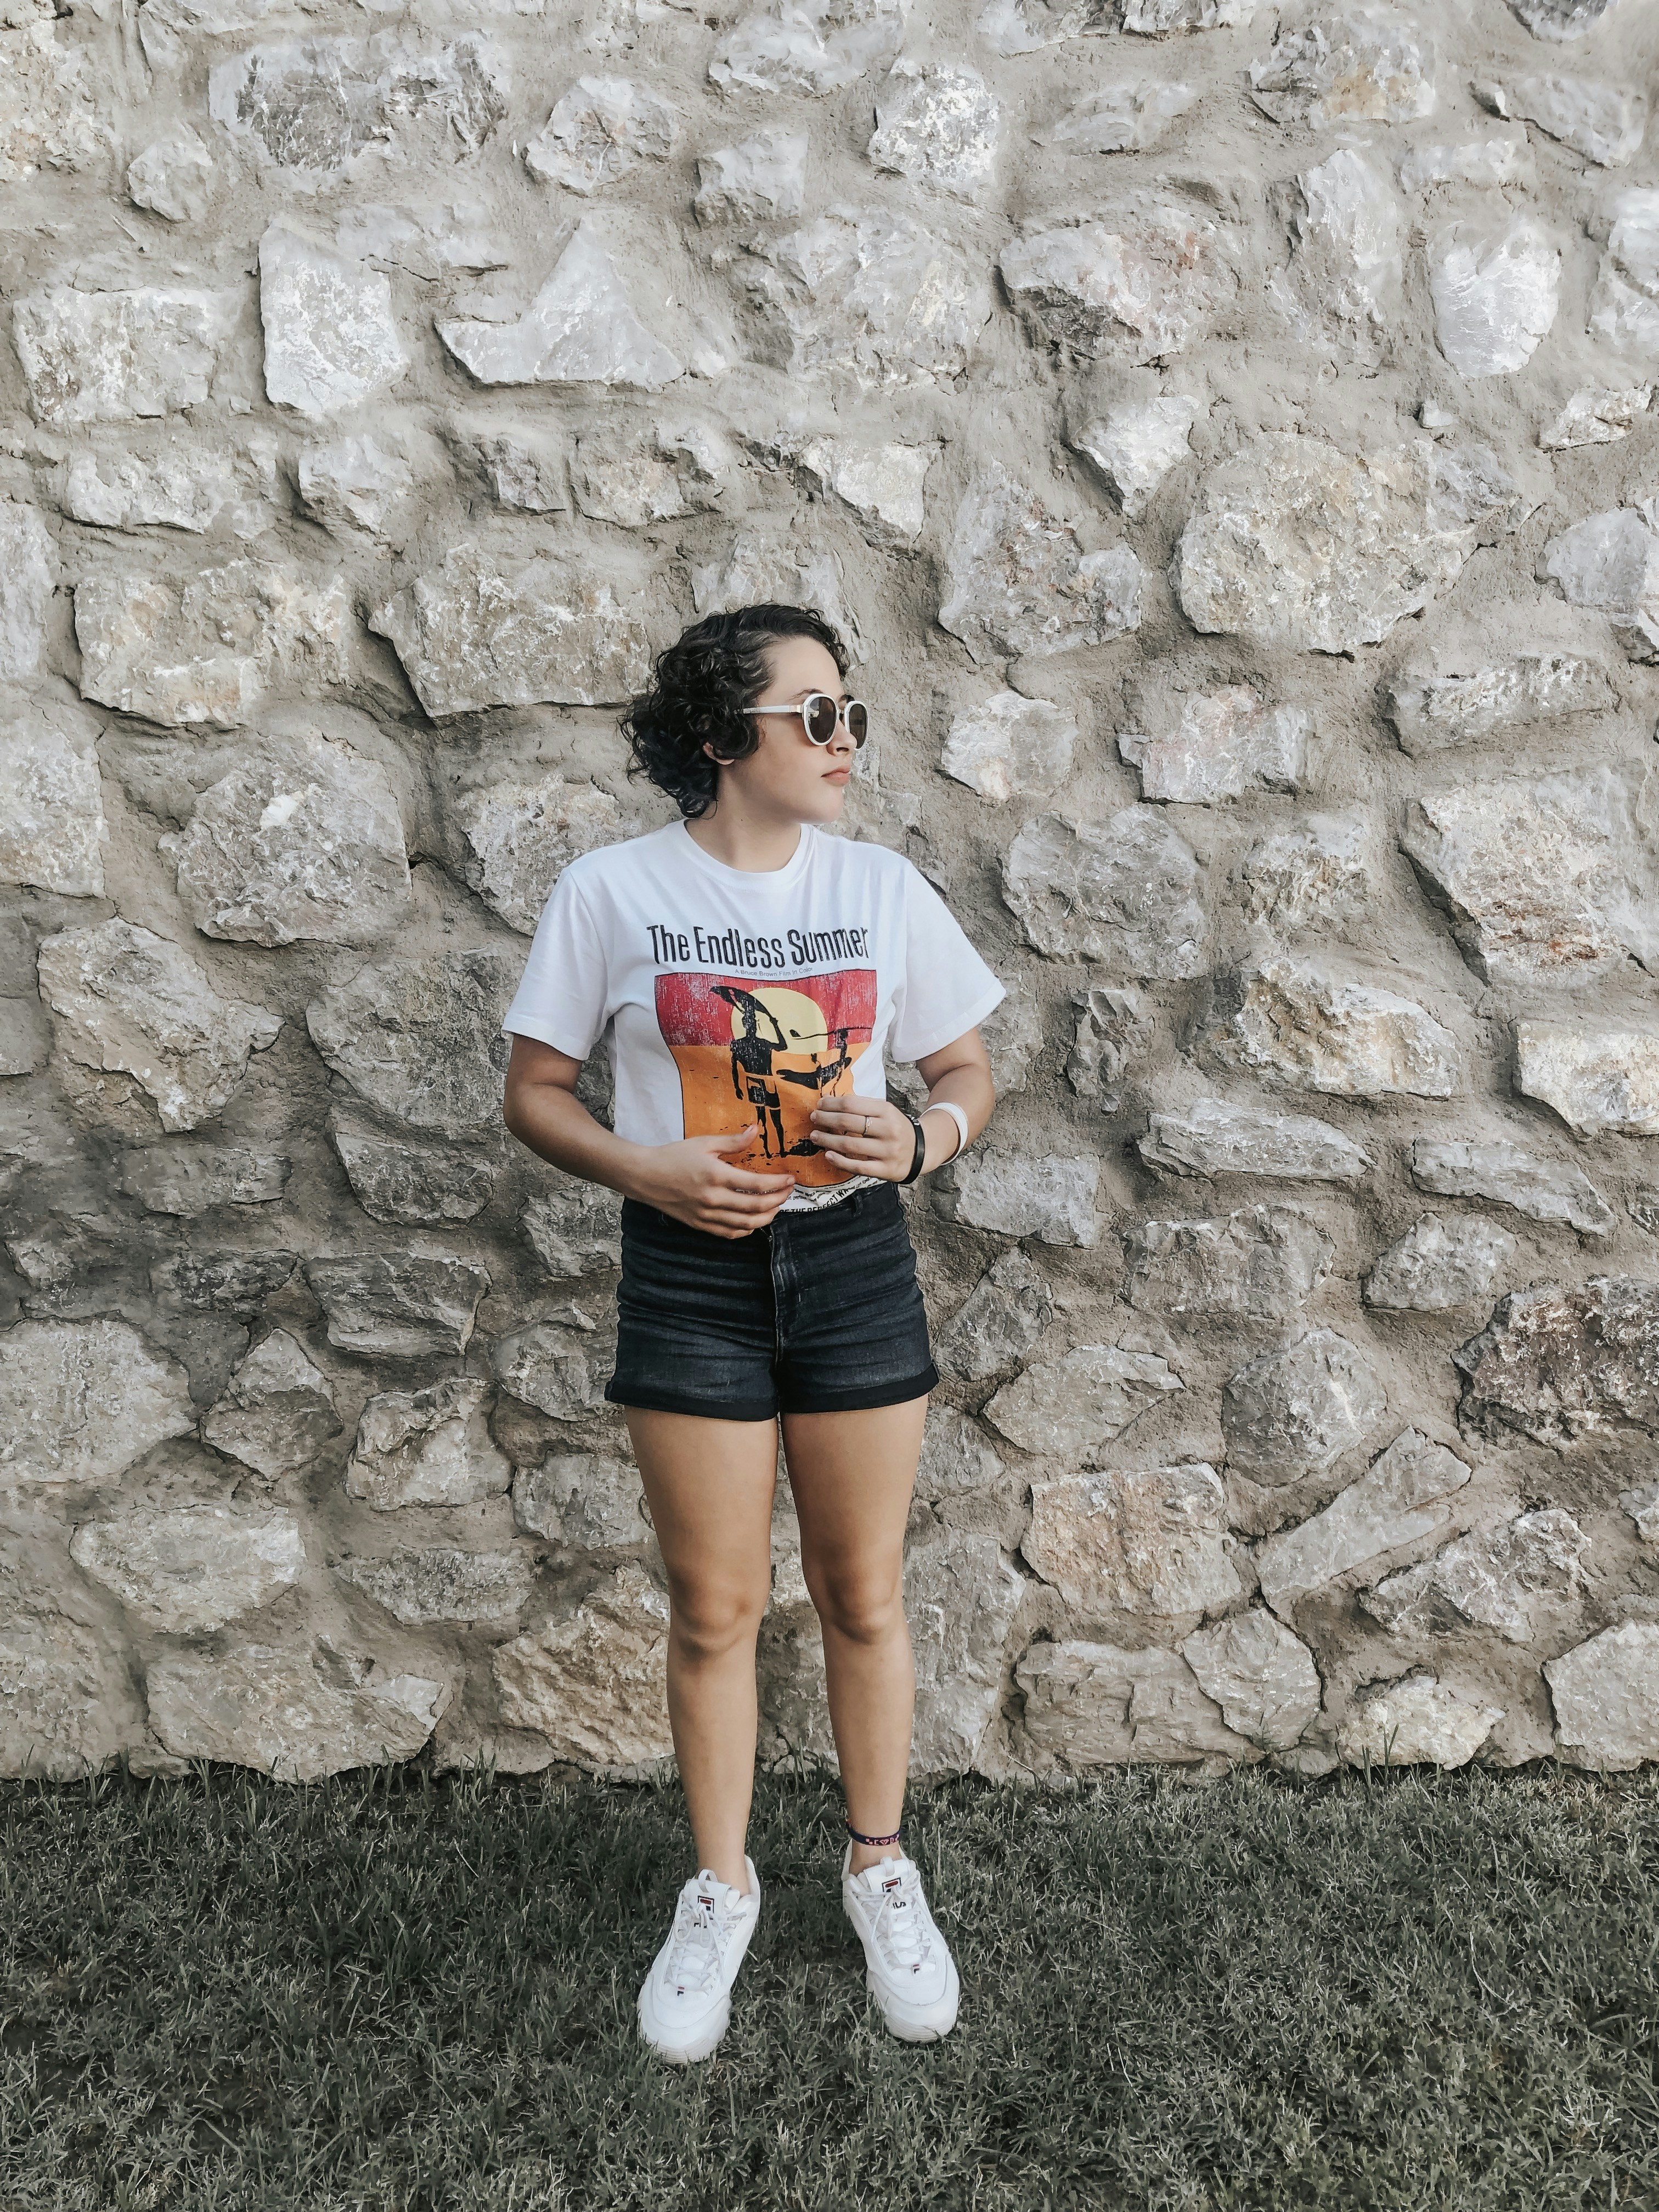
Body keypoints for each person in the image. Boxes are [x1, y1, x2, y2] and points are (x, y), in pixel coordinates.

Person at [499, 603, 1005, 2063]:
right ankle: (720, 1887)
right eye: (816, 716)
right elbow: (534, 1092)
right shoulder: (612, 893)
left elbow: (967, 1067)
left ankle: (878, 1866)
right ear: (725, 739)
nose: (846, 742)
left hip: (851, 1264)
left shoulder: (884, 889)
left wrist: (919, 1141)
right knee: (714, 1609)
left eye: (852, 714)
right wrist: (641, 1165)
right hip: (687, 1272)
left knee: (862, 1595)